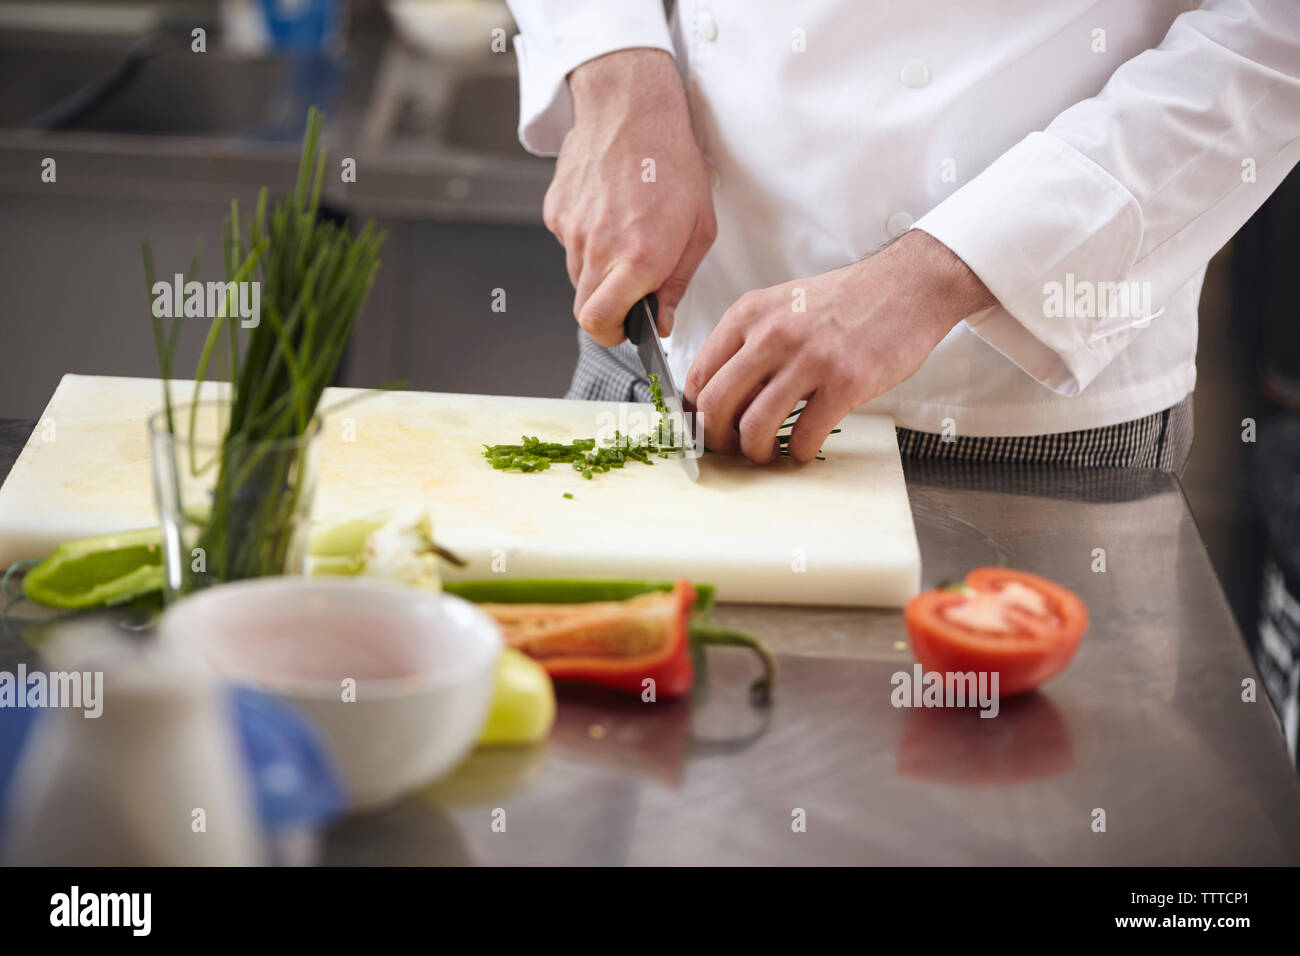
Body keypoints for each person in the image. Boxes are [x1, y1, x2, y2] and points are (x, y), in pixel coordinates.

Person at [503, 0, 1300, 472]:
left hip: (1014, 412)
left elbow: (1274, 37)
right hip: (666, 337)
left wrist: (935, 277)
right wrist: (613, 68)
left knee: (1001, 755)